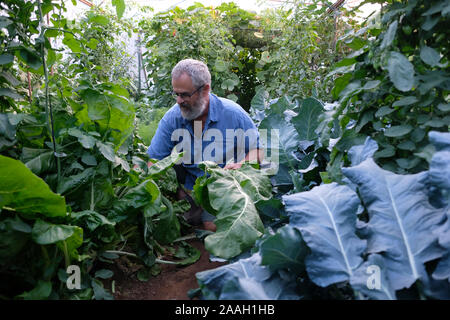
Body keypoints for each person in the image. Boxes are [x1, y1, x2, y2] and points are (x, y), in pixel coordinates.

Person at [146, 59, 262, 232]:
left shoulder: (233, 114)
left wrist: (241, 165)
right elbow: (153, 160)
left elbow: (258, 151)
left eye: (184, 94)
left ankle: (207, 216)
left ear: (205, 89)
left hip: (226, 188)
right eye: (176, 94)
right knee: (164, 224)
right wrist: (167, 189)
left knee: (212, 226)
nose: (179, 101)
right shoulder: (173, 118)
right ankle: (195, 212)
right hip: (191, 189)